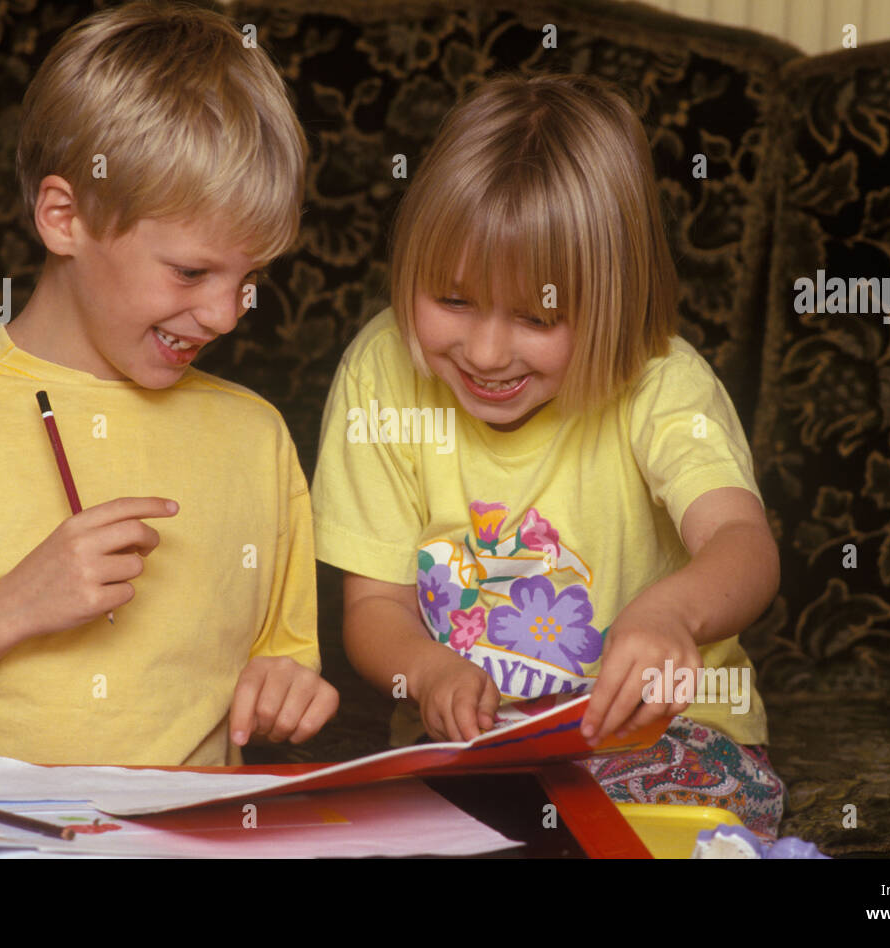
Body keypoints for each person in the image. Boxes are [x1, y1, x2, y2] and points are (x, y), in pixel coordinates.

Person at [0, 1, 337, 769]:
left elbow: (281, 664)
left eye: (251, 277)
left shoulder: (259, 437)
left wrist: (284, 689)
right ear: (63, 216)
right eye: (192, 270)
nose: (225, 313)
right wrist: (3, 612)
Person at [311, 74, 784, 836]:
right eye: (454, 300)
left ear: (616, 302)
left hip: (669, 737)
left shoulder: (662, 384)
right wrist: (430, 672)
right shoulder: (381, 374)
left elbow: (744, 545)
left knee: (633, 817)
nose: (487, 351)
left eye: (537, 315)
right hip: (479, 750)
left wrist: (671, 612)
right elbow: (375, 609)